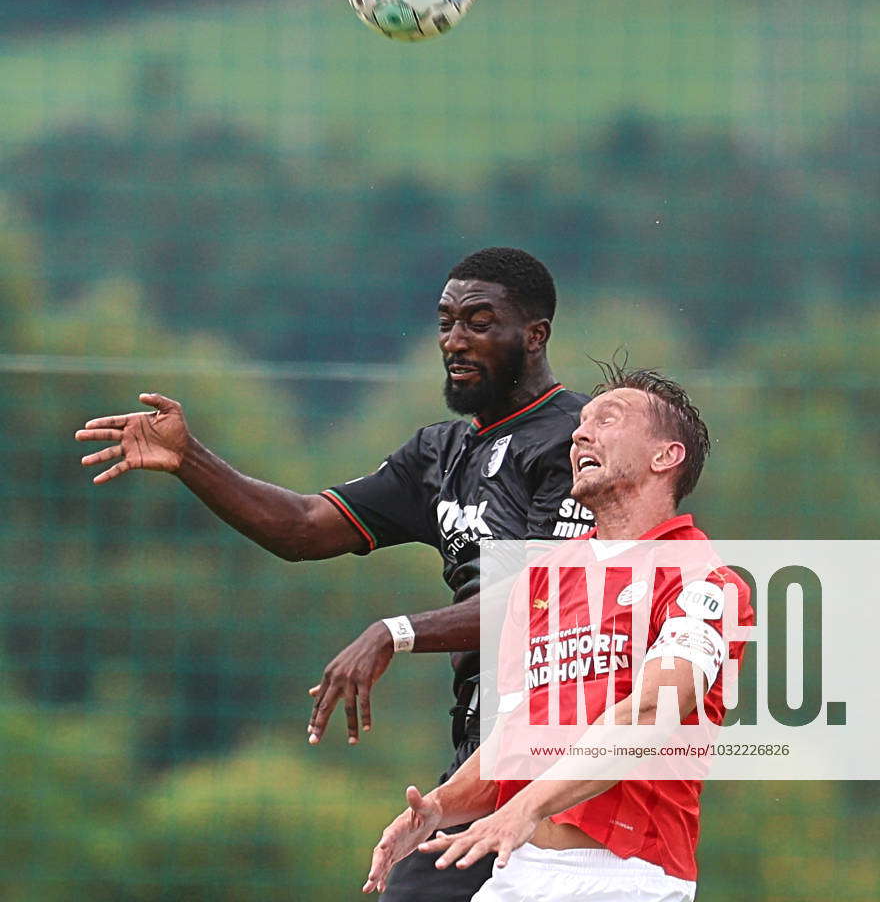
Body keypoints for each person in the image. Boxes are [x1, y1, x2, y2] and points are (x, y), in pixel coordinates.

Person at [75, 247, 593, 902]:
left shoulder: (578, 440)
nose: (455, 341)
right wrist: (189, 459)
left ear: (535, 334)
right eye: (445, 323)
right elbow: (302, 527)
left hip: (566, 747)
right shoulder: (439, 455)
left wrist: (394, 632)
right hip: (482, 752)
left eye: (479, 323)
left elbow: (544, 601)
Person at [363, 367, 754, 902]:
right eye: (581, 422)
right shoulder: (543, 581)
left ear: (666, 456)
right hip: (520, 869)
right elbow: (513, 739)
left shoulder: (704, 580)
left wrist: (524, 808)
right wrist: (440, 808)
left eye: (608, 420)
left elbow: (649, 713)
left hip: (625, 878)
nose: (579, 434)